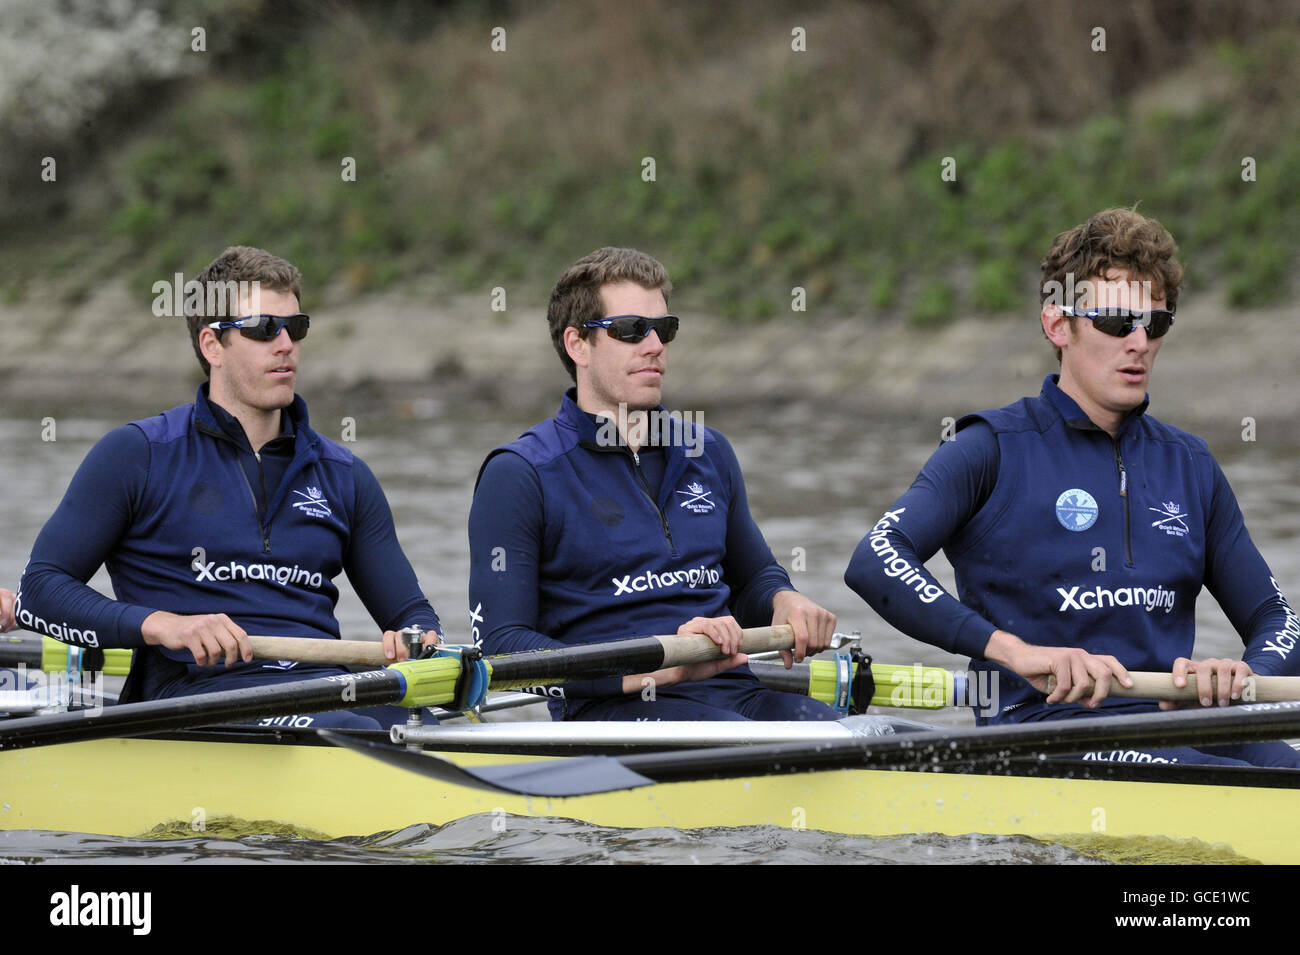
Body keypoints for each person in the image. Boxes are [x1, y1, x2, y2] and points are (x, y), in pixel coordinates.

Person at [844, 208, 1300, 766]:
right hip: (1044, 728)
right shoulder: (989, 448)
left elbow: (1278, 619)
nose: (1139, 343)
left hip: (1174, 717)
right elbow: (876, 557)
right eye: (1116, 322)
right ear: (1058, 325)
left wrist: (1245, 672)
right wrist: (1012, 652)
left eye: (1155, 324)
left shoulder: (1191, 465)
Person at [13, 247, 441, 728]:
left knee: (428, 724)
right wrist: (162, 625)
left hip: (322, 685)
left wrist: (420, 638)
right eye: (263, 330)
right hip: (195, 693)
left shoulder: (345, 475)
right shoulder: (137, 455)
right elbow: (40, 592)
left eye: (295, 328)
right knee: (356, 731)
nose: (286, 345)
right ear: (212, 345)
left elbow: (411, 611)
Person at [468, 247, 838, 721]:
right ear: (577, 344)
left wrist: (785, 599)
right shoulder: (519, 474)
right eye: (630, 330)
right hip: (614, 710)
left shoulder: (709, 452)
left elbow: (753, 581)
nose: (655, 346)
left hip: (735, 691)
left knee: (856, 737)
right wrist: (659, 670)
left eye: (663, 330)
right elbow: (502, 647)